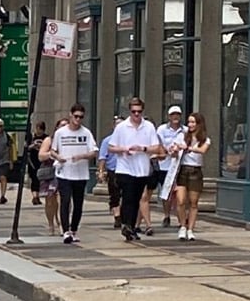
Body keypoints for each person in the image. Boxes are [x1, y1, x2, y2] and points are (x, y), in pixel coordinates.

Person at [107, 98, 164, 241]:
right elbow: (111, 147)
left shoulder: (149, 126)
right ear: (130, 111)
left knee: (136, 198)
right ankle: (126, 224)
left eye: (139, 112)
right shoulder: (122, 127)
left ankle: (131, 226)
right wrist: (124, 149)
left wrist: (143, 148)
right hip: (125, 168)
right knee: (128, 196)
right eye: (134, 112)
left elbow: (156, 147)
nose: (136, 115)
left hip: (142, 168)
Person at [47, 104, 98, 244]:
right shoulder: (60, 133)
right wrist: (58, 158)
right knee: (65, 200)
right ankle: (66, 231)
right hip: (64, 172)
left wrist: (82, 156)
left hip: (80, 173)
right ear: (70, 115)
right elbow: (53, 150)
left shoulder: (86, 133)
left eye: (81, 117)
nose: (78, 120)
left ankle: (74, 229)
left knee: (78, 203)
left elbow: (94, 151)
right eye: (76, 116)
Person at [174, 111, 212, 241]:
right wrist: (176, 149)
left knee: (193, 202)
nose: (190, 125)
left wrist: (189, 148)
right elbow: (175, 149)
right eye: (189, 122)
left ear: (199, 124)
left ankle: (190, 229)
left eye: (193, 122)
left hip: (195, 171)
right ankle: (182, 226)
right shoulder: (182, 136)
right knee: (180, 200)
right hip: (183, 169)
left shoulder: (204, 139)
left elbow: (203, 150)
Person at [155, 105, 187, 229]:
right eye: (173, 115)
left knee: (179, 193)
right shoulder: (162, 129)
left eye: (177, 115)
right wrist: (167, 151)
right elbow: (158, 143)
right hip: (165, 165)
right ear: (169, 116)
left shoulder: (185, 130)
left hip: (179, 165)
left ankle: (181, 219)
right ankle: (167, 215)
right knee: (166, 192)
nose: (175, 117)